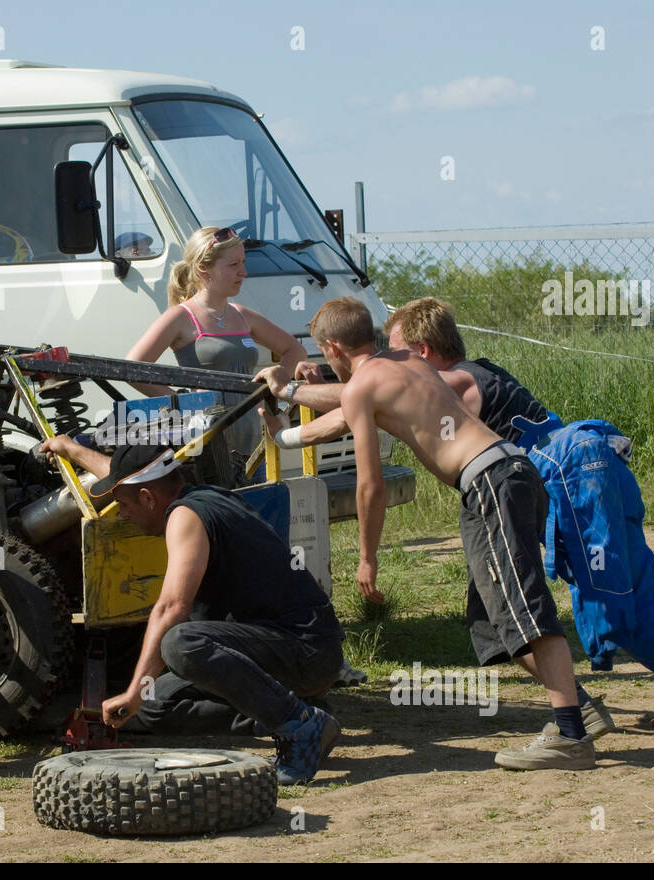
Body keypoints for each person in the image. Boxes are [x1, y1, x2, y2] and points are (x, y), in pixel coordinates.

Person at [382, 298, 654, 738]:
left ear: (421, 352)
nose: (386, 366)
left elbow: (369, 401)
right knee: (636, 593)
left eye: (394, 353)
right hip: (592, 464)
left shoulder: (453, 380)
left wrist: (295, 390)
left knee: (618, 605)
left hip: (571, 473)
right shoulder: (478, 371)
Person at [305, 297, 593, 770]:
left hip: (489, 483)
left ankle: (572, 736)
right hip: (509, 471)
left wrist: (367, 556)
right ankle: (578, 707)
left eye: (324, 355)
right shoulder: (405, 361)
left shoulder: (362, 387)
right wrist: (287, 411)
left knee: (524, 607)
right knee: (494, 624)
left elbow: (370, 485)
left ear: (332, 347)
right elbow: (339, 413)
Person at [37, 436, 344, 783]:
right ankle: (301, 709)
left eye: (123, 505)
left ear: (148, 498)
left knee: (179, 643)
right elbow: (126, 476)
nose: (121, 514)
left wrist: (133, 690)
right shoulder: (199, 495)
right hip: (288, 648)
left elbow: (172, 608)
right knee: (154, 705)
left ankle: (300, 727)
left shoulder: (185, 517)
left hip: (306, 650)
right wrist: (70, 449)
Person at [124, 225, 314, 459]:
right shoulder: (180, 317)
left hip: (252, 439)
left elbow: (295, 350)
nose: (243, 272)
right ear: (204, 270)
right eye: (234, 265)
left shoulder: (242, 314)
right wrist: (183, 404)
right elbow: (133, 367)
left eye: (243, 262)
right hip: (205, 443)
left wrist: (273, 386)